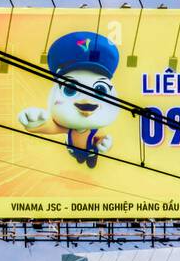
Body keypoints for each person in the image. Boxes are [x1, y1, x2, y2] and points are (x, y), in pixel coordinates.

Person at [18, 31, 122, 169]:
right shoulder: (68, 129)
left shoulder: (94, 131)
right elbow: (51, 127)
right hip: (74, 151)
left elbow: (102, 138)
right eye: (70, 89)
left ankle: (90, 159)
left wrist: (104, 143)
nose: (86, 100)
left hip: (90, 151)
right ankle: (81, 159)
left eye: (100, 90)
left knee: (90, 158)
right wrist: (35, 123)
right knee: (79, 159)